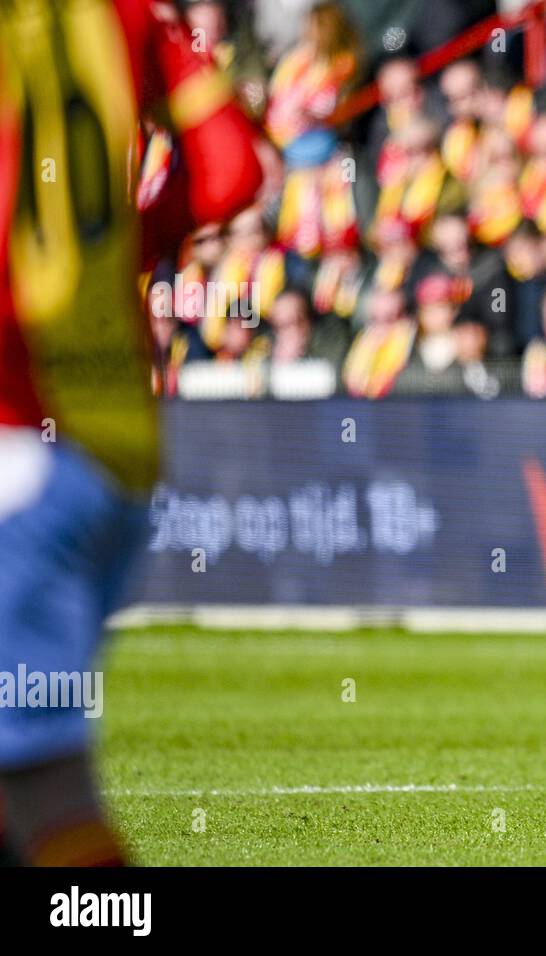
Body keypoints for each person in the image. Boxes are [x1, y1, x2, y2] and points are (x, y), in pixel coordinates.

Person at [0, 0, 263, 863]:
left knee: (45, 789)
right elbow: (231, 174)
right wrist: (124, 248)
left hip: (14, 432)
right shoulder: (134, 14)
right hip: (114, 446)